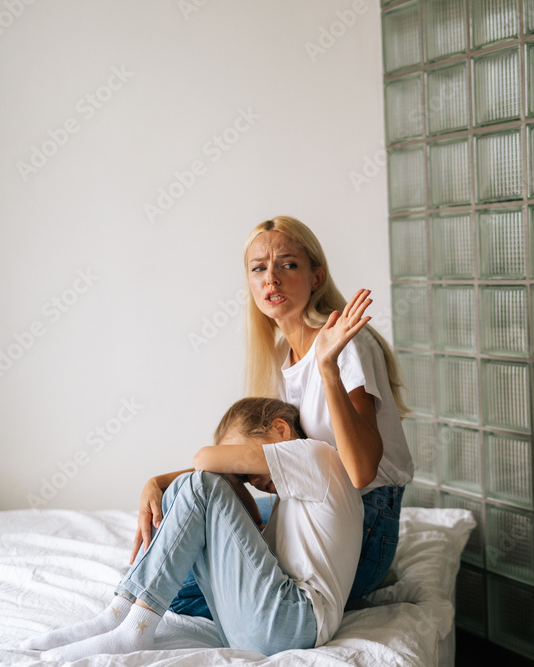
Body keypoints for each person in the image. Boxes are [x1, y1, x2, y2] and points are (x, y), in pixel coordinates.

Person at [167, 215, 414, 619]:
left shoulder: (346, 344)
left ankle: (364, 577)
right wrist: (161, 483)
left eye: (288, 264)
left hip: (365, 520)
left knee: (185, 589)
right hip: (308, 507)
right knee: (182, 566)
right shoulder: (283, 355)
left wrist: (328, 368)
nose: (271, 278)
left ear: (317, 277)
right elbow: (260, 459)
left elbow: (360, 473)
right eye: (259, 268)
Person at [18, 396, 364, 660]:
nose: (251, 481)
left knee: (198, 485)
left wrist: (163, 479)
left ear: (280, 429)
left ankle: (131, 626)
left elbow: (203, 462)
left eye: (240, 464)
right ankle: (120, 615)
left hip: (295, 622)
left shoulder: (320, 458)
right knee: (182, 493)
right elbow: (235, 514)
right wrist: (165, 486)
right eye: (243, 476)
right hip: (256, 628)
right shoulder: (290, 501)